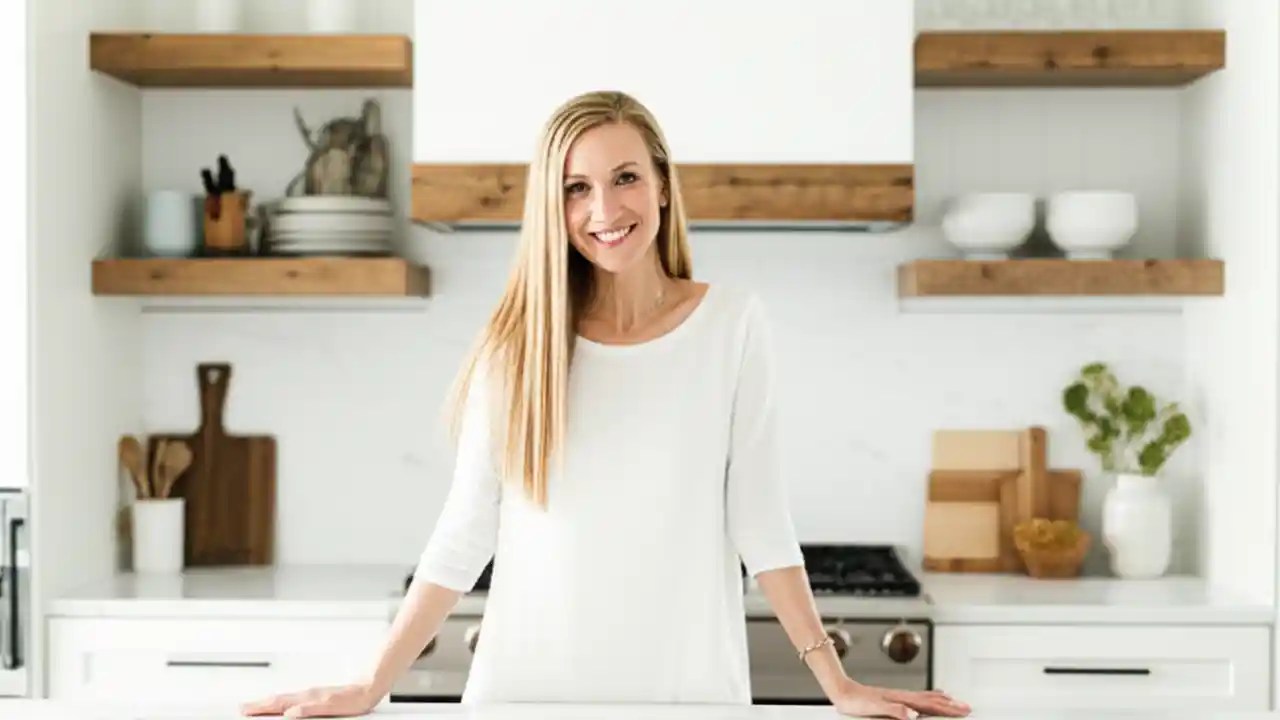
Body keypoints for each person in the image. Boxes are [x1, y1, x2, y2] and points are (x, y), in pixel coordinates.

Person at [240, 91, 971, 720]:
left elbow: (760, 518)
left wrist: (833, 681)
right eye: (575, 188)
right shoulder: (518, 343)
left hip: (691, 692)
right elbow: (465, 533)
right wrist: (373, 683)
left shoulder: (732, 325)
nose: (604, 209)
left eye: (624, 177)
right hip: (527, 695)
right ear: (552, 206)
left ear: (661, 186)